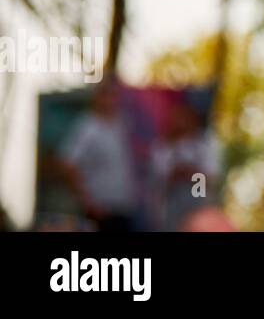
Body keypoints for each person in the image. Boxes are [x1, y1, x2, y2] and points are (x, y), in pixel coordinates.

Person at [57, 78, 138, 232]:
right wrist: (88, 203)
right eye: (106, 95)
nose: (111, 100)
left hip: (124, 209)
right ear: (97, 98)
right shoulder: (87, 127)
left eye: (114, 95)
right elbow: (67, 164)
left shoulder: (122, 124)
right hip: (100, 212)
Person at [149, 98, 222, 231]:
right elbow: (159, 180)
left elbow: (210, 177)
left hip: (198, 201)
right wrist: (176, 174)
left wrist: (190, 173)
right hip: (172, 206)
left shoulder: (204, 144)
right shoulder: (162, 146)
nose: (180, 122)